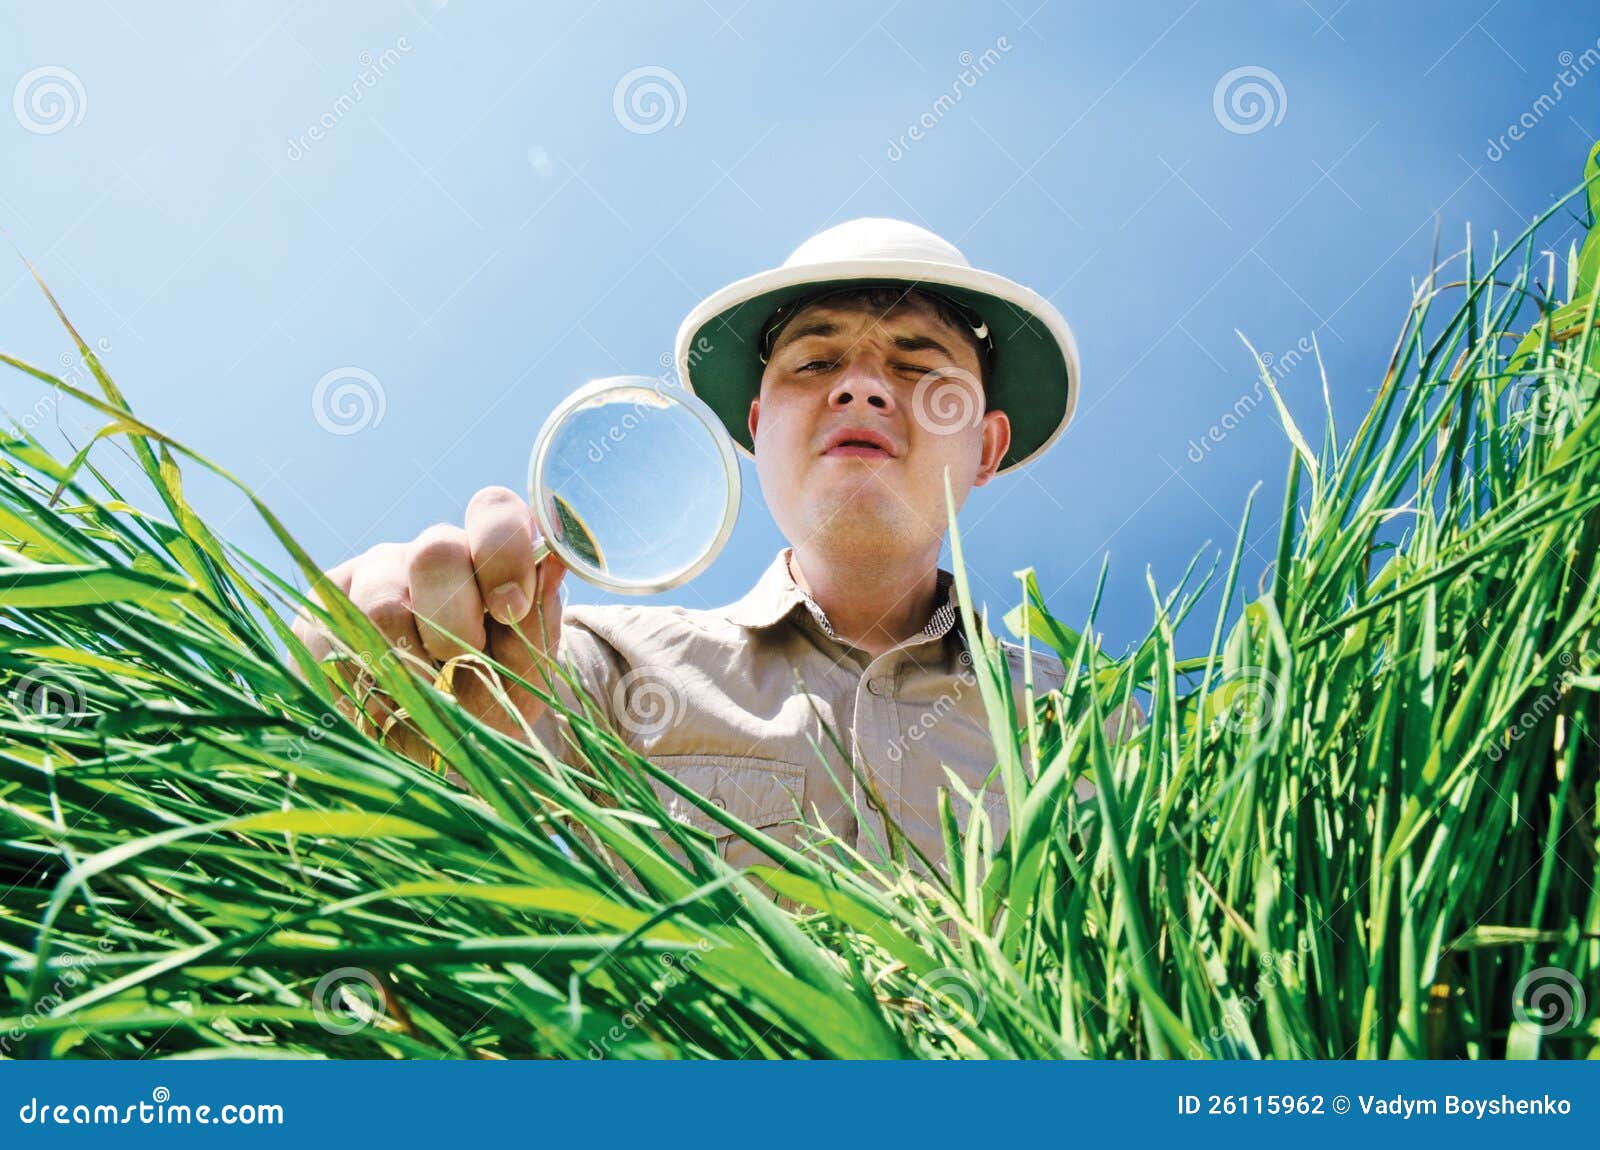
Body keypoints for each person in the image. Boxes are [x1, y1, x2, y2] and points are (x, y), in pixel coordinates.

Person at [292, 217, 1096, 869]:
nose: (860, 385)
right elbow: (442, 808)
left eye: (917, 366)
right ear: (757, 431)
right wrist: (389, 694)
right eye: (815, 362)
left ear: (986, 445)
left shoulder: (1094, 728)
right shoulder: (593, 669)